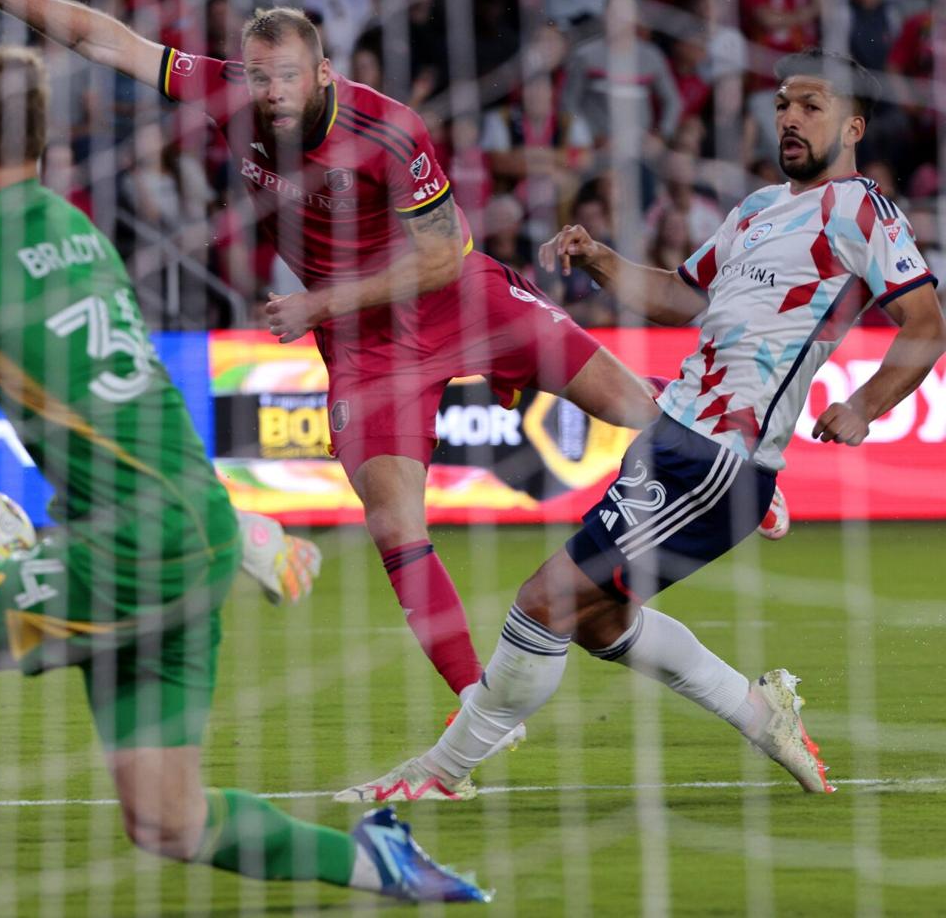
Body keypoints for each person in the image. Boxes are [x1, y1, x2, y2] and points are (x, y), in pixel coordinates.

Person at [0, 0, 788, 741]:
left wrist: (319, 298)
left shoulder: (388, 129)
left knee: (633, 406)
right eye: (258, 78)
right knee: (396, 525)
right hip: (366, 349)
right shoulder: (228, 91)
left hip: (455, 299)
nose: (270, 94)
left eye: (287, 77)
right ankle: (480, 706)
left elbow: (443, 250)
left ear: (323, 70)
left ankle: (744, 471)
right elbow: (108, 39)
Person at [0, 45, 487, 914]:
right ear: (44, 140)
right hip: (194, 535)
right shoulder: (78, 233)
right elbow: (128, 393)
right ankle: (375, 861)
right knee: (169, 821)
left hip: (126, 548)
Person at [339, 48, 945, 803]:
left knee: (542, 601)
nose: (790, 117)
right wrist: (598, 259)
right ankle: (763, 710)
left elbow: (925, 320)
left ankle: (438, 772)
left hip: (720, 455)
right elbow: (680, 297)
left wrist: (864, 405)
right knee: (599, 622)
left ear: (852, 125)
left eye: (811, 106)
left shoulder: (861, 208)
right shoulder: (756, 208)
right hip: (671, 436)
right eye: (784, 103)